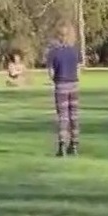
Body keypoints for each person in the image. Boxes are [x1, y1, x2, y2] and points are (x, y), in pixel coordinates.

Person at [46, 23, 82, 156]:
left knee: (63, 116)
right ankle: (74, 144)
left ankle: (62, 145)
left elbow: (51, 73)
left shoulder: (53, 53)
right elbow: (78, 71)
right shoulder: (75, 51)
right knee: (74, 116)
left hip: (61, 85)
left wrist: (56, 80)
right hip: (74, 85)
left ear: (58, 36)